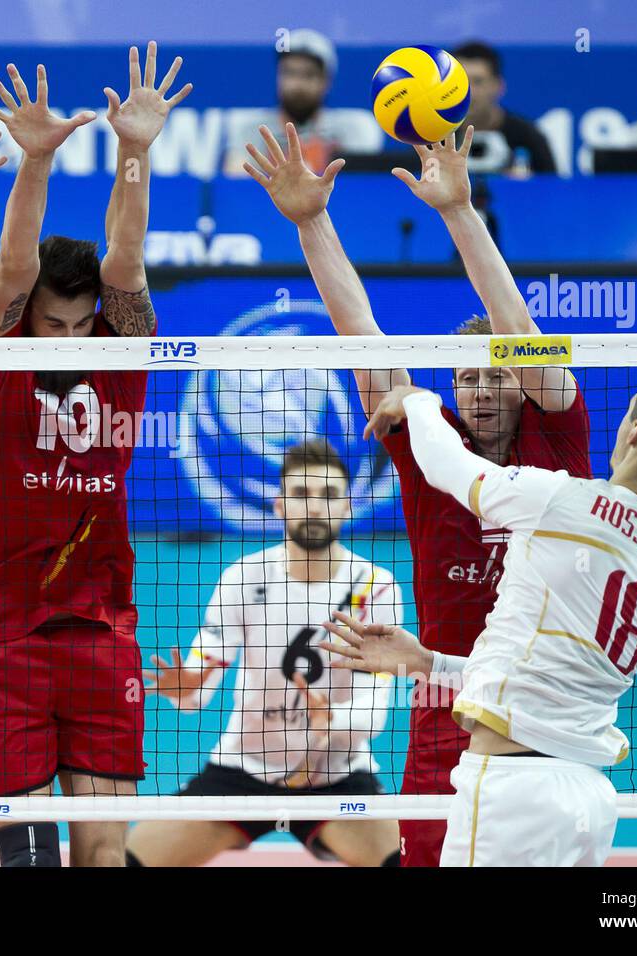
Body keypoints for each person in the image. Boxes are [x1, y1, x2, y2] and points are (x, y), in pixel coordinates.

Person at [245, 123, 592, 866]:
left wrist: (458, 211)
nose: (480, 391)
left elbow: (518, 327)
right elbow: (357, 329)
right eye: (466, 378)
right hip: (443, 704)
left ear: (523, 387)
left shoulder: (558, 440)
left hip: (546, 715)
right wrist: (312, 221)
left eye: (496, 376)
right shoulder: (431, 448)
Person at [325, 359, 637, 866]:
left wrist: (417, 399)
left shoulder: (565, 503)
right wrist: (430, 663)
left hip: (512, 789)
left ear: (635, 431)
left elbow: (447, 465)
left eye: (626, 414)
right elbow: (549, 678)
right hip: (587, 798)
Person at [0, 44, 191, 868]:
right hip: (4, 635)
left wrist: (134, 153)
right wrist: (36, 162)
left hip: (100, 634)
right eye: (50, 324)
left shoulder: (121, 353)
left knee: (101, 857)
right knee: (30, 862)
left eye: (80, 324)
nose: (66, 338)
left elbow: (125, 264)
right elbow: (13, 267)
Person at [127, 440, 401, 867]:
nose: (314, 508)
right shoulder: (243, 577)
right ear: (278, 505)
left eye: (328, 496)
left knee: (405, 858)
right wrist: (183, 688)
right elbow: (197, 692)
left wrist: (333, 716)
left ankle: (325, 836)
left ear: (348, 506)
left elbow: (375, 712)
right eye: (301, 495)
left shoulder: (374, 587)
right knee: (132, 858)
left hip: (334, 776)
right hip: (244, 771)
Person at [223, 29, 372, 177]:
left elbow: (364, 189)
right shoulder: (251, 129)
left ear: (327, 81)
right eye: (289, 73)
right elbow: (237, 190)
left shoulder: (355, 128)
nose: (297, 85)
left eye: (308, 74)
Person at [451, 41, 557, 176]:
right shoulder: (436, 139)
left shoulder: (527, 138)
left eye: (478, 81)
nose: (469, 91)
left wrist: (521, 188)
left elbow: (552, 191)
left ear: (498, 86)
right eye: (461, 80)